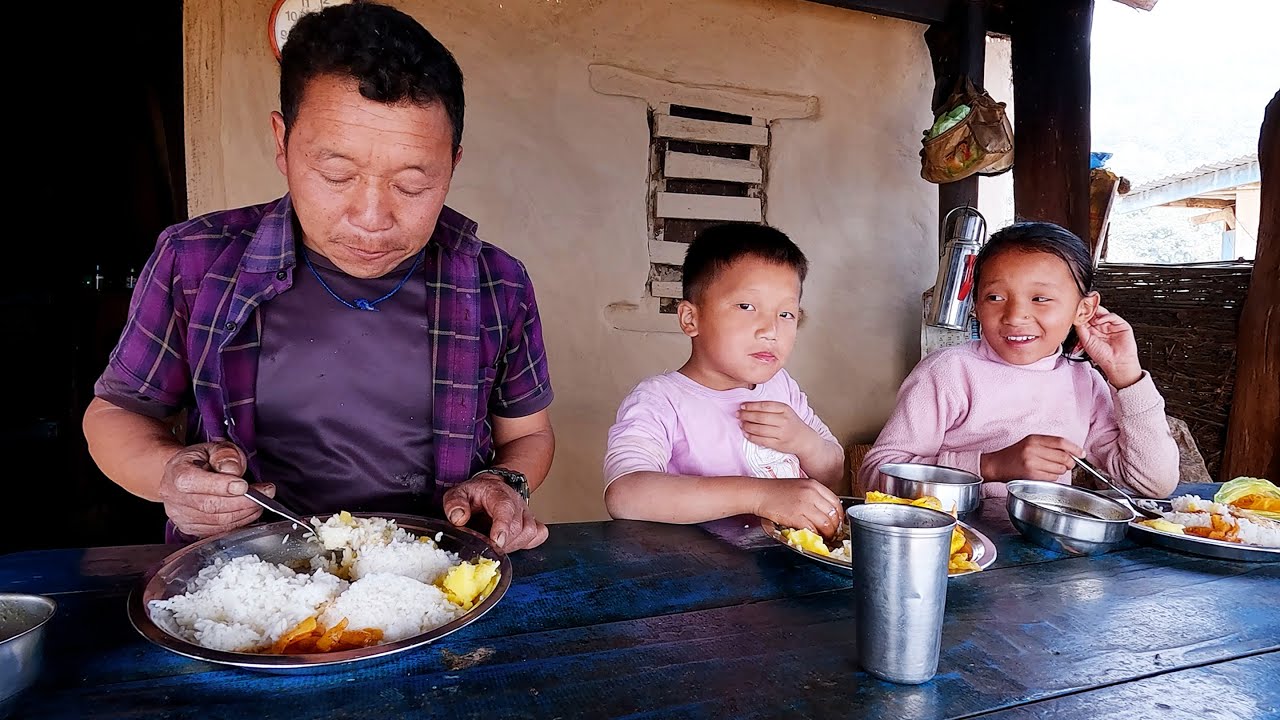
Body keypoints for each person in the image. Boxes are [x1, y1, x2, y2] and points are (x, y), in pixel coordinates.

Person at [82, 2, 554, 551]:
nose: (372, 218)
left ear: (453, 162)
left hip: (432, 580)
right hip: (247, 583)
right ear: (282, 144)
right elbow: (116, 415)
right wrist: (169, 475)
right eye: (336, 174)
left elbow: (529, 434)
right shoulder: (197, 260)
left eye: (412, 184)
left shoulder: (497, 283)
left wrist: (502, 482)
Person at [858, 221, 1179, 499]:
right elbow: (875, 476)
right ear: (975, 304)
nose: (1015, 316)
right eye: (995, 297)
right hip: (955, 550)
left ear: (1084, 309)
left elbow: (1154, 484)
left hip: (1043, 555)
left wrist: (1126, 376)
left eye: (1040, 299)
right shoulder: (948, 373)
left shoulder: (1084, 382)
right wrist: (990, 465)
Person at [603, 223, 846, 536]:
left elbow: (833, 471)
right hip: (702, 575)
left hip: (788, 571)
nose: (770, 330)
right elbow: (625, 495)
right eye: (746, 306)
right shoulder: (661, 401)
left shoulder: (781, 386)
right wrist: (761, 495)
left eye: (786, 314)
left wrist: (804, 441)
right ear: (692, 319)